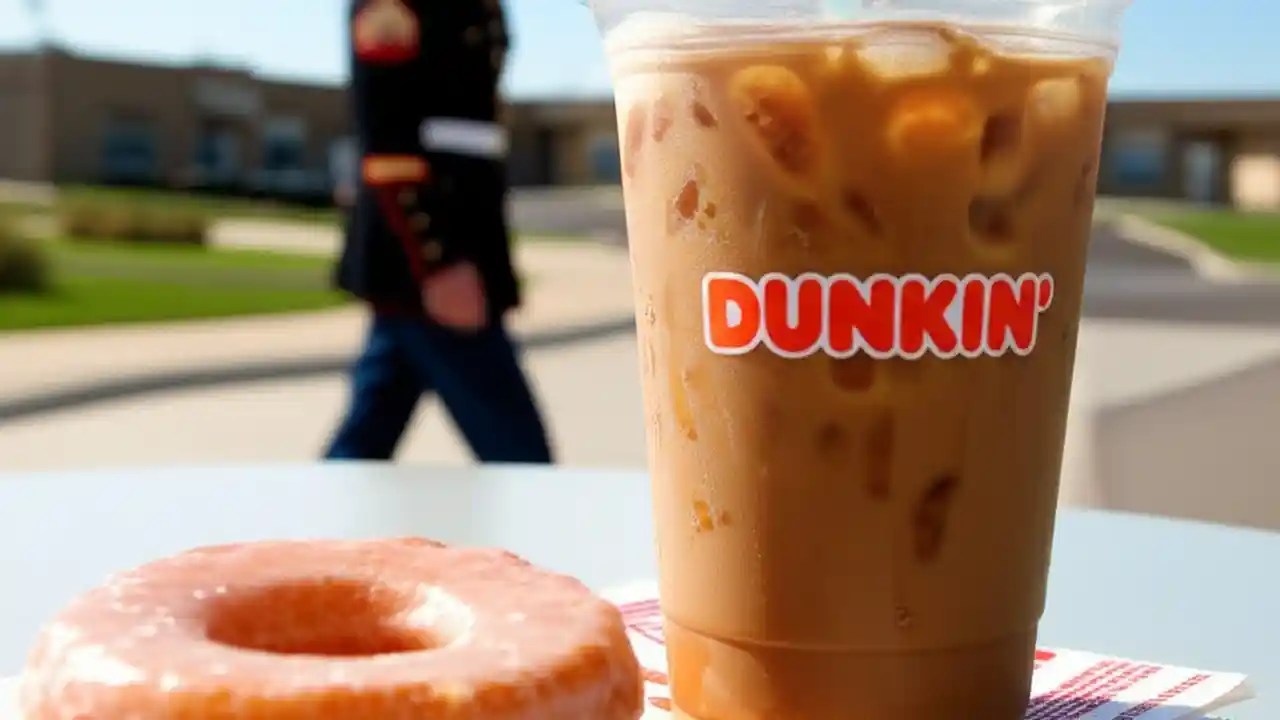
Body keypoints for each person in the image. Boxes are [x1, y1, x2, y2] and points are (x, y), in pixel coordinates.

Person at [325, 0, 553, 464]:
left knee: (363, 447)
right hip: (433, 260)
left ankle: (305, 533)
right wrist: (438, 262)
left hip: (460, 248)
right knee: (523, 461)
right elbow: (388, 145)